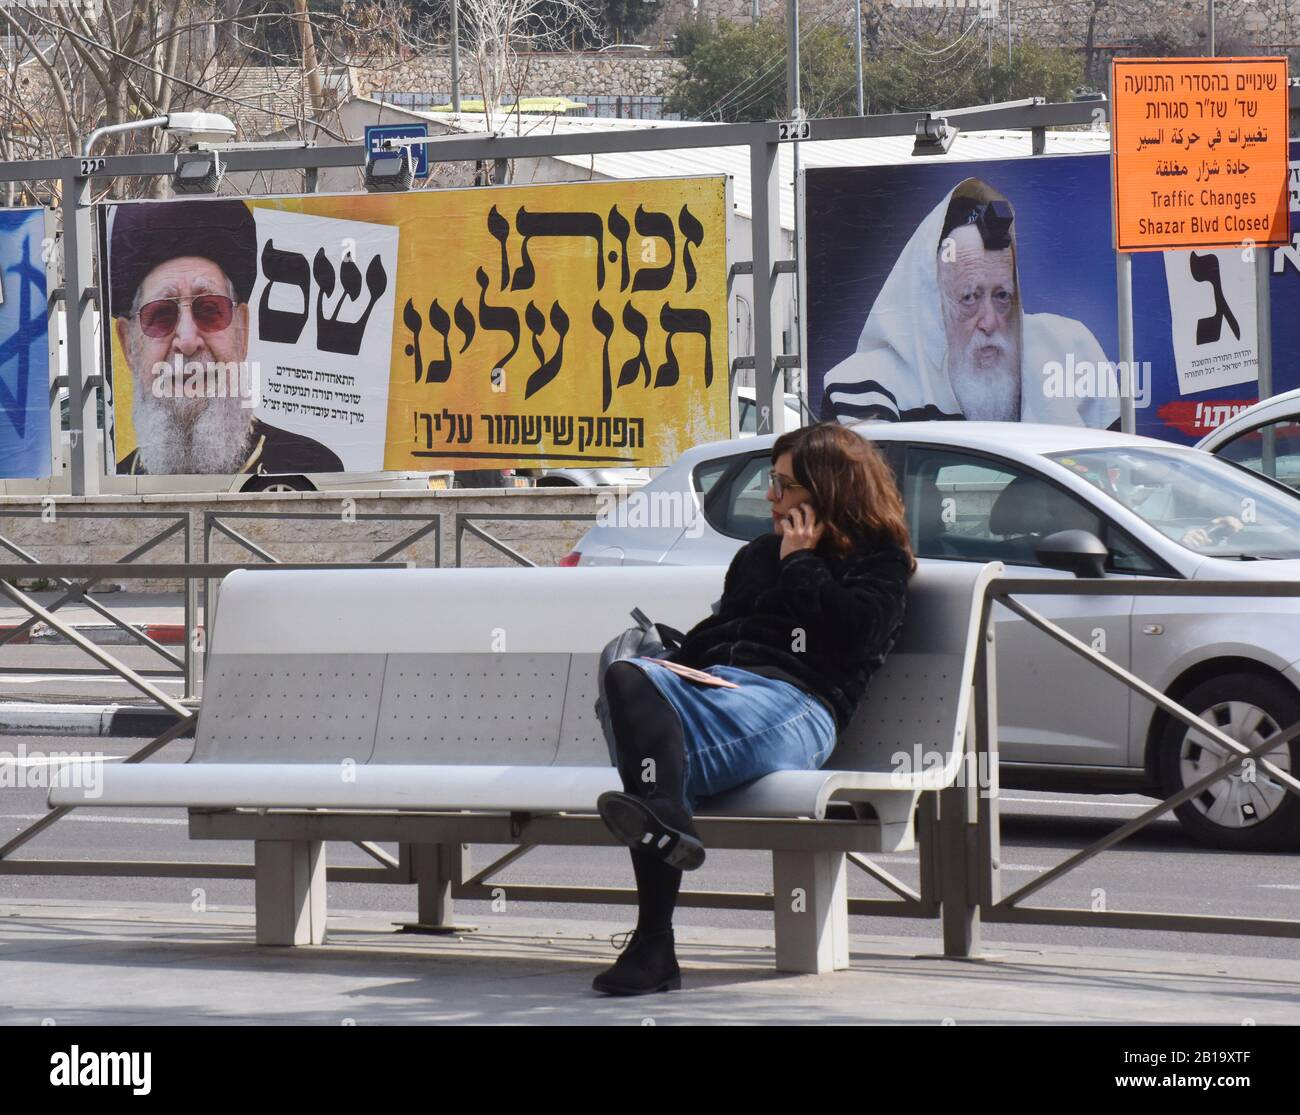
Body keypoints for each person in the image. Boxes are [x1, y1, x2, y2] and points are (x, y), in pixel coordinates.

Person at [591, 422, 916, 995]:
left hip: (796, 705)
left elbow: (857, 634)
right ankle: (667, 822)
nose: (770, 496)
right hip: (721, 693)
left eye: (784, 485)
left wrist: (802, 562)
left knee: (652, 772)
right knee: (625, 671)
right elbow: (723, 631)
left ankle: (654, 944)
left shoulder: (878, 559)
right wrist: (679, 659)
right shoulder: (757, 555)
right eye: (772, 481)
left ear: (829, 489)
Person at [819, 177, 1120, 429]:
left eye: (1002, 296)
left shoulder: (1068, 349)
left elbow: (1114, 479)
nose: (990, 322)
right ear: (931, 306)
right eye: (969, 298)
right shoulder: (869, 383)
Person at [108, 199, 343, 476]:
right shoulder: (119, 484)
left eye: (209, 310)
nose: (187, 340)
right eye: (161, 316)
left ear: (242, 331)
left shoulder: (312, 467)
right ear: (129, 346)